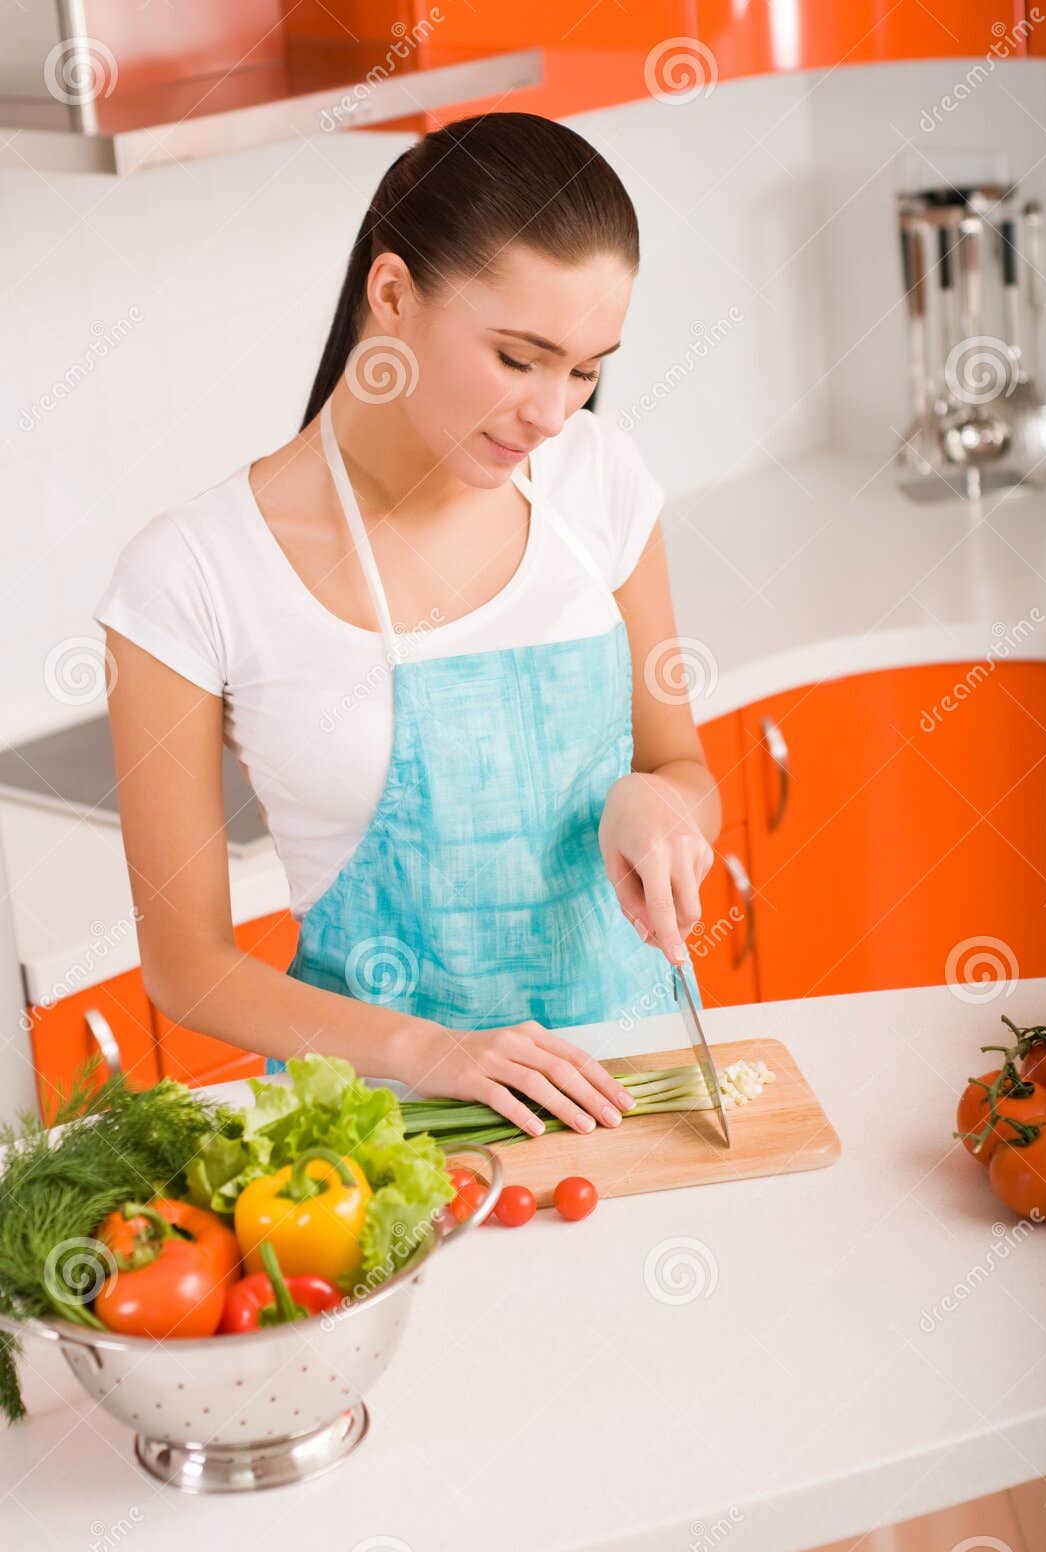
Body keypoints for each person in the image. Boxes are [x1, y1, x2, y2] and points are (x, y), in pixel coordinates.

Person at [94, 112, 721, 1141]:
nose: (554, 413)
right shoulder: (193, 574)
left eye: (586, 368)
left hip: (631, 1097)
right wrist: (435, 1054)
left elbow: (682, 766)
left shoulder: (598, 483)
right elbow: (187, 963)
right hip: (377, 1145)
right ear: (391, 294)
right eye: (519, 358)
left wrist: (657, 809)